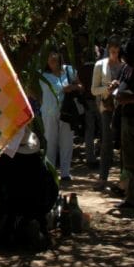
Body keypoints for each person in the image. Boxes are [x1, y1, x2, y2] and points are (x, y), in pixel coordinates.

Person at [39, 50, 82, 182]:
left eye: (55, 58)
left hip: (67, 112)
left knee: (67, 141)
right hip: (49, 113)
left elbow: (81, 86)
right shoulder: (41, 75)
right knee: (50, 142)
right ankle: (50, 173)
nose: (52, 61)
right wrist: (43, 103)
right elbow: (31, 91)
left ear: (59, 58)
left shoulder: (68, 70)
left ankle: (65, 173)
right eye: (50, 59)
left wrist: (72, 88)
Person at [91, 36, 125, 191]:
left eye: (117, 52)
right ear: (108, 49)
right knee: (106, 143)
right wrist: (107, 89)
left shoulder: (124, 65)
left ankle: (124, 181)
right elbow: (93, 90)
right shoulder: (100, 65)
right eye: (112, 51)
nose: (114, 55)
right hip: (107, 108)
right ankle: (102, 179)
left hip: (123, 108)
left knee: (124, 144)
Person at [114, 37, 134, 209]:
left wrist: (129, 99)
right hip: (126, 118)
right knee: (128, 160)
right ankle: (130, 196)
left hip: (133, 117)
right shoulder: (127, 69)